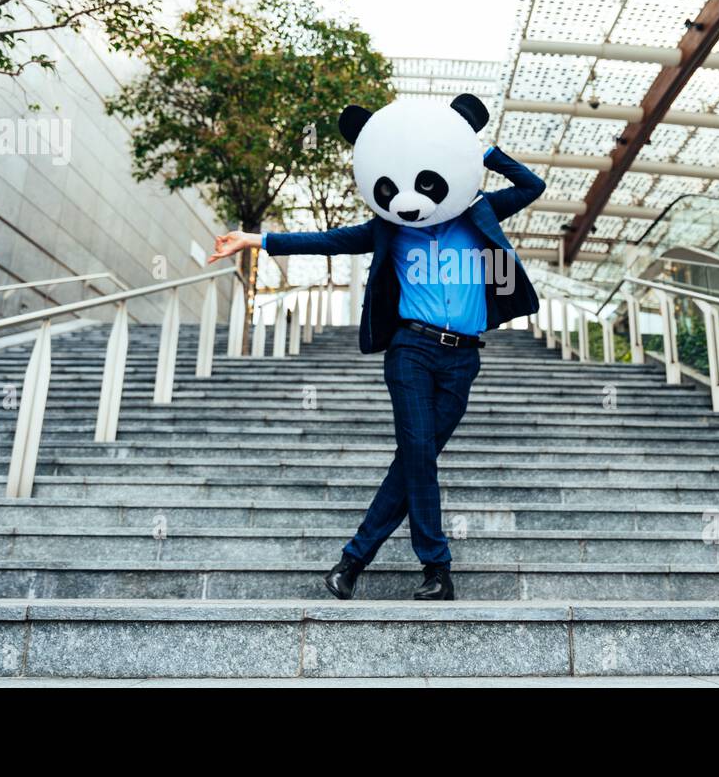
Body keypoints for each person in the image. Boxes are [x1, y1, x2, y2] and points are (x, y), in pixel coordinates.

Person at [209, 95, 545, 600]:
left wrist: (479, 150)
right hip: (411, 350)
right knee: (419, 455)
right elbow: (327, 240)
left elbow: (532, 185)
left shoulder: (481, 213)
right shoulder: (391, 226)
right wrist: (254, 240)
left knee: (415, 459)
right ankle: (437, 568)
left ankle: (351, 562)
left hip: (464, 359)